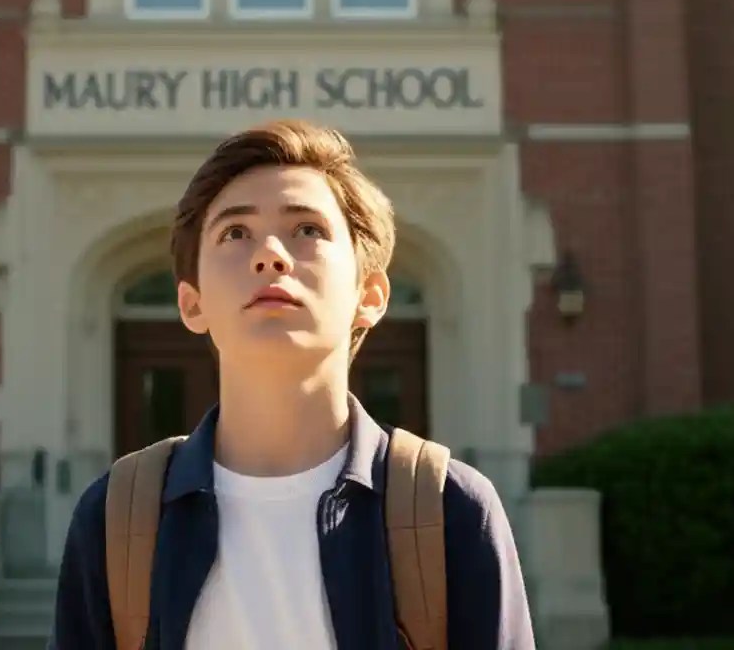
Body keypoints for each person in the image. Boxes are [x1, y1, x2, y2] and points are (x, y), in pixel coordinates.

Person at [51, 119, 535, 649]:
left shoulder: (450, 509)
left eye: (308, 229)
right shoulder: (118, 516)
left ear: (369, 296)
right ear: (192, 304)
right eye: (235, 233)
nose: (271, 255)